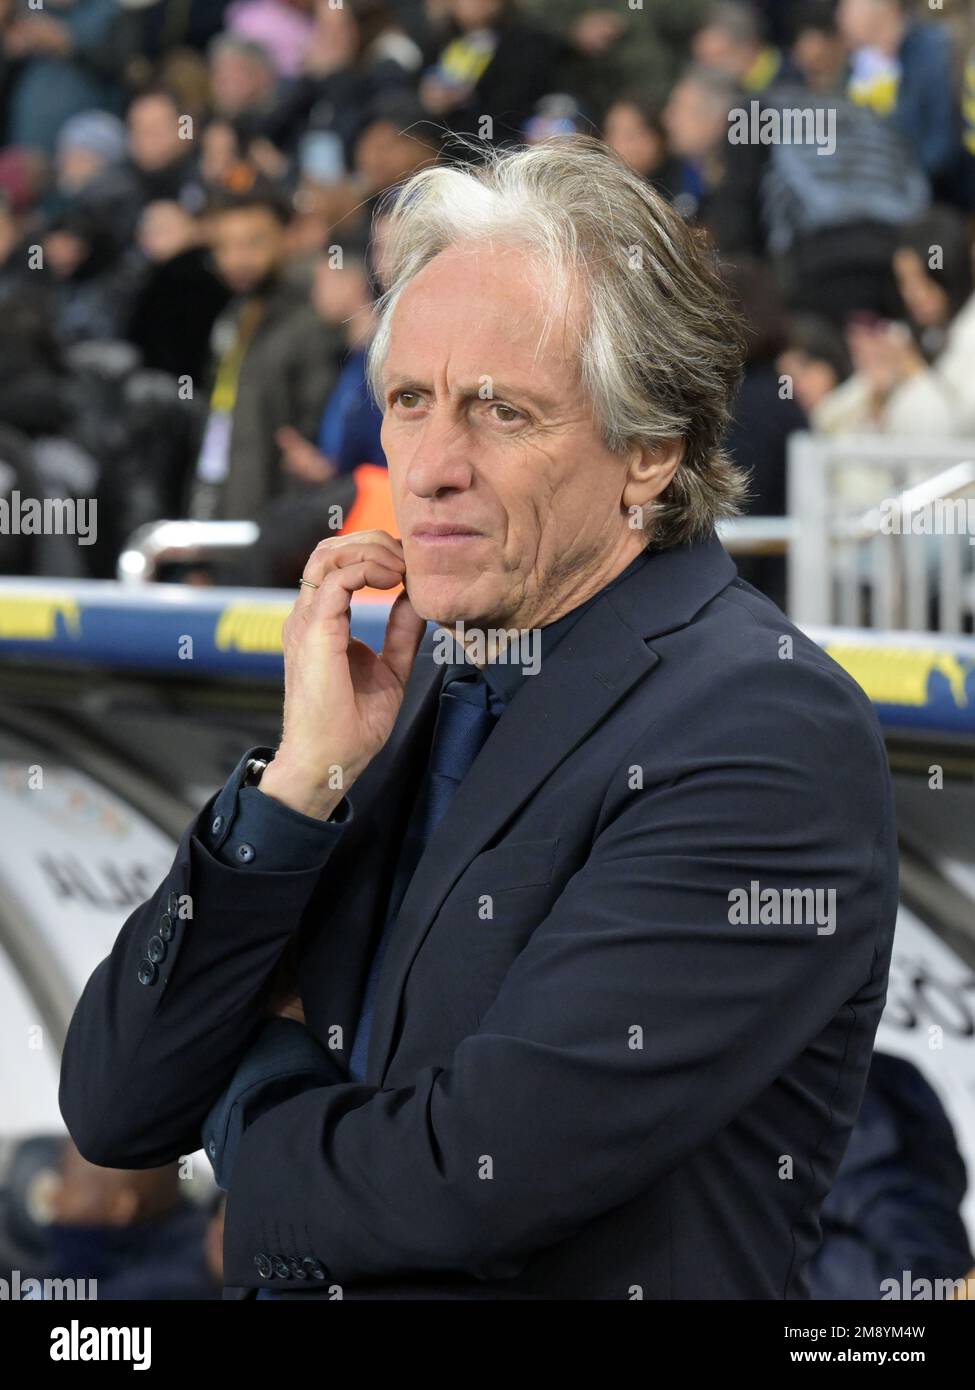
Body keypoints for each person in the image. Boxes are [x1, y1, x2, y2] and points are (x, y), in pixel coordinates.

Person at [60, 135, 898, 1301]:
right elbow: (114, 1100)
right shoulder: (397, 692)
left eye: (500, 412)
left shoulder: (764, 730)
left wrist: (252, 1102)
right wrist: (297, 788)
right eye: (411, 401)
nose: (433, 466)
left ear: (650, 449)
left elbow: (467, 1180)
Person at [185, 170, 342, 522]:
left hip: (280, 526)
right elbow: (218, 425)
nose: (236, 259)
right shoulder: (233, 317)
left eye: (254, 242)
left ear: (288, 236)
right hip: (222, 508)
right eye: (224, 246)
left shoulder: (314, 319)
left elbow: (313, 441)